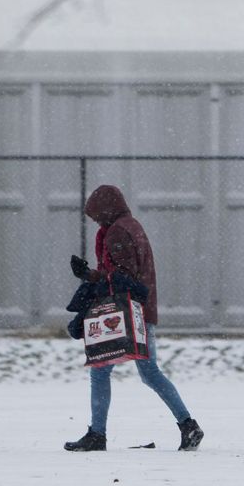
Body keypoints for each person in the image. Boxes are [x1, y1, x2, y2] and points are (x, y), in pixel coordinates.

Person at [64, 184, 203, 452]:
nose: (95, 220)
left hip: (123, 312)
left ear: (106, 209)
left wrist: (91, 278)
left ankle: (97, 435)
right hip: (141, 311)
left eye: (96, 215)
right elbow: (126, 272)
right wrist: (92, 275)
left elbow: (121, 277)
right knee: (150, 373)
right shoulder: (131, 225)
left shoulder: (117, 232)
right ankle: (188, 425)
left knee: (100, 370)